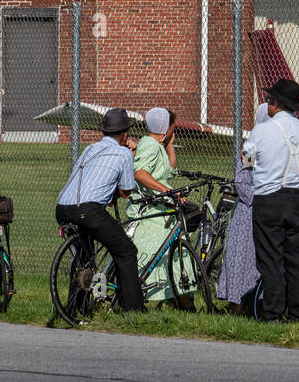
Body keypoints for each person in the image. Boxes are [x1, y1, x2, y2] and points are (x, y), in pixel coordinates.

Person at [55, 108, 146, 312]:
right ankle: (134, 310)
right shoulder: (124, 153)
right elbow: (125, 191)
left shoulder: (89, 149)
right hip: (88, 210)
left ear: (103, 132)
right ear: (125, 135)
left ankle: (76, 308)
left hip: (62, 207)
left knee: (84, 256)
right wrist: (131, 154)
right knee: (126, 252)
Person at [242, 78, 299, 321]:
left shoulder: (262, 130)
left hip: (268, 199)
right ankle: (298, 312)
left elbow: (247, 161)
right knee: (296, 258)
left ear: (274, 103)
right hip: (296, 199)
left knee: (270, 259)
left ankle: (273, 311)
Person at [126, 107, 197, 306]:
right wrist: (167, 191)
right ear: (166, 127)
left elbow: (170, 170)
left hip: (161, 206)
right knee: (167, 252)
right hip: (151, 209)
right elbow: (140, 173)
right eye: (173, 127)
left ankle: (180, 301)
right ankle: (181, 303)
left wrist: (170, 144)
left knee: (176, 250)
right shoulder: (149, 145)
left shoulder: (158, 145)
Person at [216, 103, 267, 311]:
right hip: (250, 209)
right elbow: (243, 181)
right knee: (241, 258)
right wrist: (259, 200)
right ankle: (237, 304)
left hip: (266, 207)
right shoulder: (253, 145)